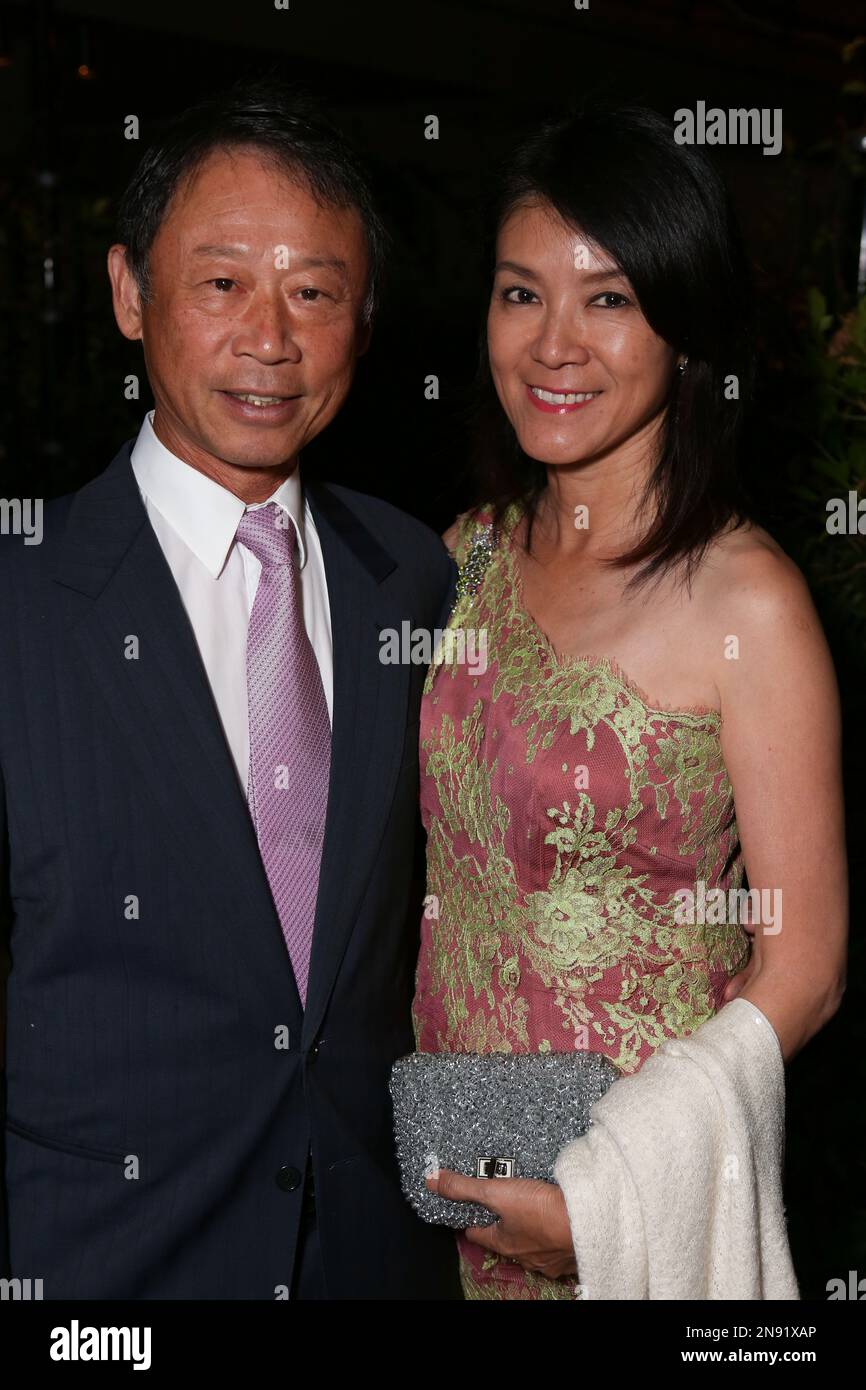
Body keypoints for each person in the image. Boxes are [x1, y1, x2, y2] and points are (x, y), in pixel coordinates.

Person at [0, 78, 461, 1300]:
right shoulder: (22, 598)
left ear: (362, 324)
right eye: (221, 283)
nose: (272, 335)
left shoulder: (412, 576)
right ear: (126, 292)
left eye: (315, 290)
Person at [415, 99, 848, 1300]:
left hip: (631, 1194)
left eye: (607, 297)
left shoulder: (745, 601)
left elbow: (805, 963)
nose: (553, 343)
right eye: (519, 294)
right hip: (456, 1164)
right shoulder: (459, 559)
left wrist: (604, 1202)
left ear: (682, 323)